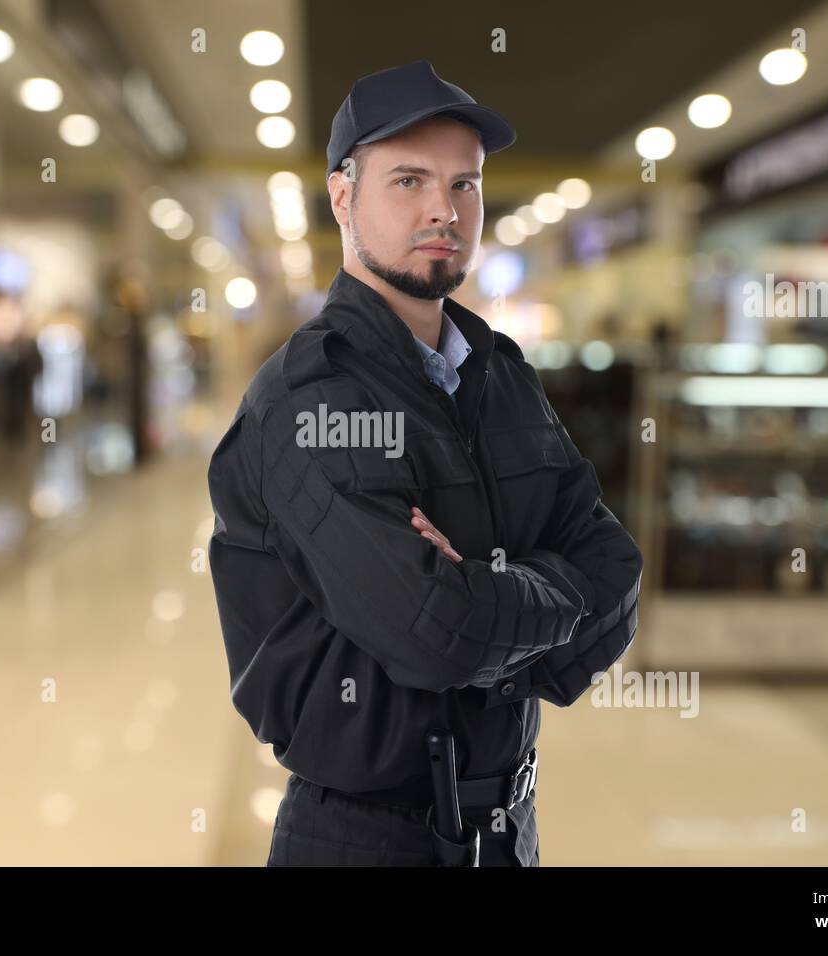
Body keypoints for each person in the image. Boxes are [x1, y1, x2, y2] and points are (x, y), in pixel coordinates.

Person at [207, 60, 643, 866]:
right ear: (342, 196)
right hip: (363, 837)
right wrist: (530, 603)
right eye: (408, 180)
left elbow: (618, 574)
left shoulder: (498, 371)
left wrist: (487, 598)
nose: (445, 210)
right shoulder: (313, 401)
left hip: (510, 831)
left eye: (465, 185)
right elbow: (438, 634)